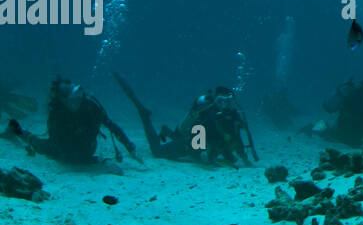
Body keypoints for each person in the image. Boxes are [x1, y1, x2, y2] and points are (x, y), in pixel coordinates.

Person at [113, 74, 258, 165]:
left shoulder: (233, 115)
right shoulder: (207, 110)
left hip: (205, 144)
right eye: (222, 101)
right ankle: (144, 116)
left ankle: (168, 132)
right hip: (192, 143)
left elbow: (237, 137)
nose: (226, 105)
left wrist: (244, 158)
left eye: (229, 101)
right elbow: (193, 132)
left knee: (224, 155)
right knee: (157, 152)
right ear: (216, 100)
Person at [4, 77, 137, 165]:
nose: (77, 101)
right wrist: (100, 162)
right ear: (63, 100)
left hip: (86, 148)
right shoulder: (58, 114)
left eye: (78, 97)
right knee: (37, 143)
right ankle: (16, 129)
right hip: (63, 151)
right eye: (73, 99)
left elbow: (111, 126)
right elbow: (61, 147)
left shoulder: (91, 107)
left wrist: (129, 147)